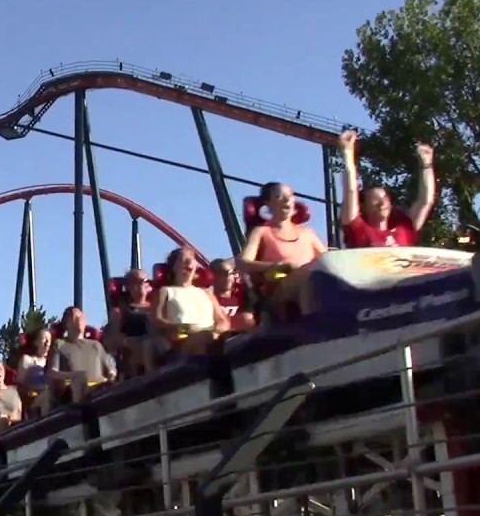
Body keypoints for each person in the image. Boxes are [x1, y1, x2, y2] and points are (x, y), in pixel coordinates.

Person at [237, 182, 328, 317]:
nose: (287, 200)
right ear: (268, 203)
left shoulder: (307, 232)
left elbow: (327, 259)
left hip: (311, 277)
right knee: (305, 277)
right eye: (279, 196)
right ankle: (312, 325)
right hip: (278, 287)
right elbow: (243, 263)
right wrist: (277, 266)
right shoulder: (262, 232)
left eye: (290, 196)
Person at [337, 129, 436, 248]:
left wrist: (426, 164)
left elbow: (426, 201)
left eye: (385, 197)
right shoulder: (358, 229)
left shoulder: (404, 230)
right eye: (375, 199)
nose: (382, 203)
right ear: (363, 207)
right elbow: (350, 191)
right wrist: (347, 152)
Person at [152, 248, 230, 357]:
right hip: (182, 340)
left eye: (191, 260)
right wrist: (184, 327)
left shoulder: (206, 292)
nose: (188, 262)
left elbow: (222, 320)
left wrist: (218, 330)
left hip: (211, 335)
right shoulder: (165, 291)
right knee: (201, 339)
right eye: (183, 260)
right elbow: (156, 321)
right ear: (173, 266)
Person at [103, 268, 157, 377]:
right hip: (134, 351)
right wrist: (127, 342)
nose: (140, 285)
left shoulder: (156, 308)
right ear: (128, 287)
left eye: (143, 281)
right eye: (135, 282)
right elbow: (111, 341)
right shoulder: (121, 311)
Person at [47, 306, 116, 387]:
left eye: (82, 317)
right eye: (75, 317)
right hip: (72, 389)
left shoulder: (96, 345)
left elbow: (111, 368)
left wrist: (111, 374)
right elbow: (52, 373)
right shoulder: (59, 344)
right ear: (66, 323)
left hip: (100, 389)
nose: (79, 320)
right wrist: (75, 376)